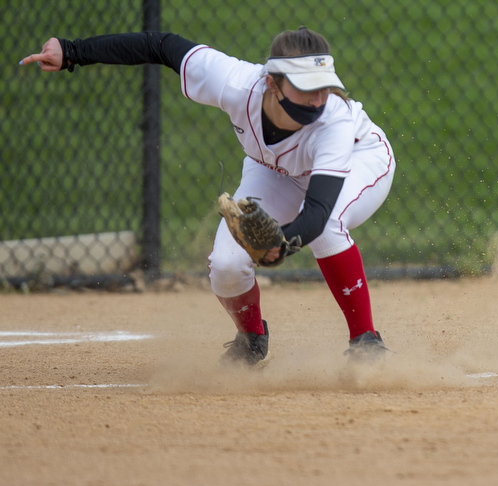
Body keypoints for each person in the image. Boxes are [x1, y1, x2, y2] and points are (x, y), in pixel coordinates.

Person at [20, 27, 396, 368]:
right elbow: (159, 46)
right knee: (227, 266)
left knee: (327, 227)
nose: (317, 99)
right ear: (272, 83)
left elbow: (317, 209)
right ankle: (251, 341)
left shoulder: (334, 121)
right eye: (305, 86)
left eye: (324, 86)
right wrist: (72, 52)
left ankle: (366, 341)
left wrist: (280, 246)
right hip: (274, 170)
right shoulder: (234, 83)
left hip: (360, 159)